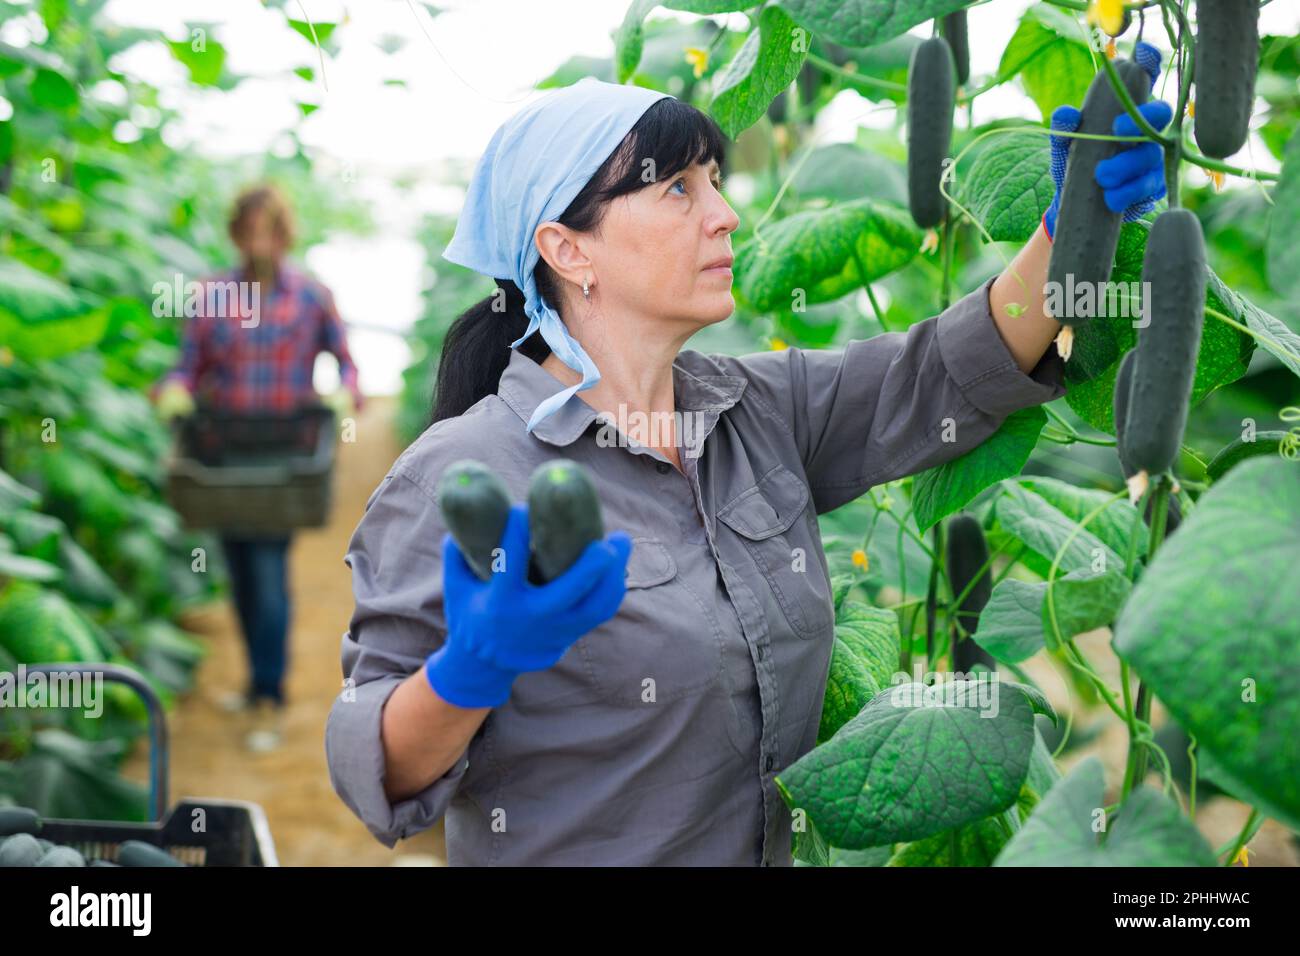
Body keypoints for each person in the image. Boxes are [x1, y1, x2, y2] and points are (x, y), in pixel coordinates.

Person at [326, 45, 1172, 864]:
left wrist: (1069, 226)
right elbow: (378, 774)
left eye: (717, 183)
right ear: (567, 248)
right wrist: (472, 670)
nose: (725, 214)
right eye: (678, 190)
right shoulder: (462, 474)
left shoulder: (755, 410)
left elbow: (950, 370)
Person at [157, 183, 364, 753]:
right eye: (248, 231)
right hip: (225, 452)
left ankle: (271, 696)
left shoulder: (311, 297)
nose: (259, 243)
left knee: (268, 571)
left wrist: (345, 395)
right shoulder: (212, 295)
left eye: (268, 231)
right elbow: (185, 368)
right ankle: (255, 685)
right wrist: (174, 391)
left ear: (283, 234)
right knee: (242, 574)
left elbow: (348, 368)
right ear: (236, 235)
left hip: (284, 456)